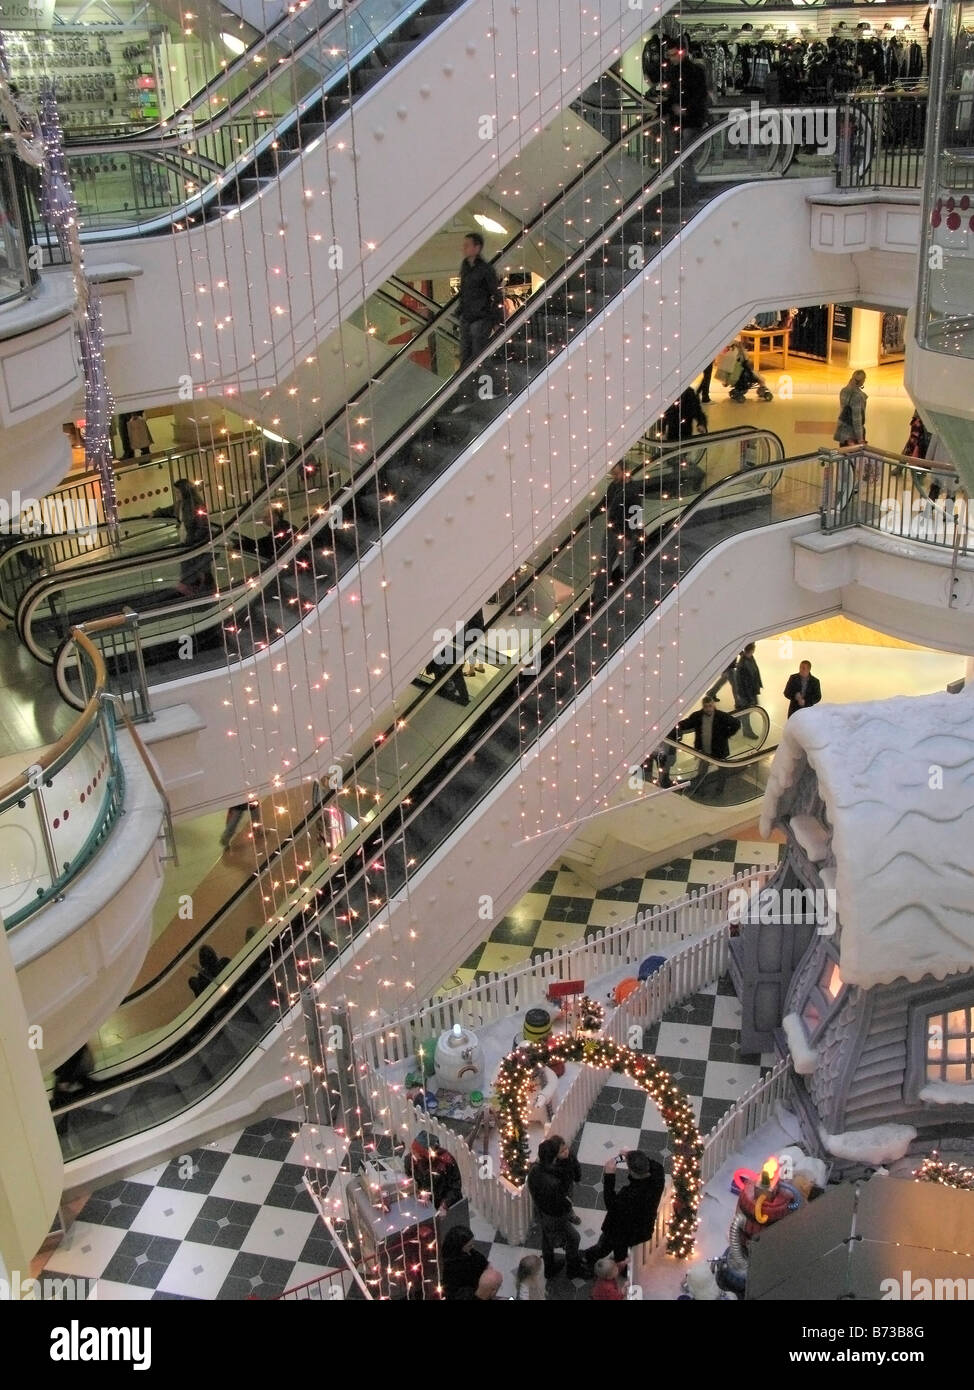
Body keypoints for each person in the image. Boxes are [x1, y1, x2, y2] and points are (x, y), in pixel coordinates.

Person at [583, 1152, 666, 1266]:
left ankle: (588, 1259)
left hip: (619, 1230)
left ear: (631, 1171)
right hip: (642, 1228)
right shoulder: (658, 1175)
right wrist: (632, 1155)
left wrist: (609, 1175)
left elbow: (611, 1205)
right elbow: (652, 1163)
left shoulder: (629, 1195)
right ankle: (621, 1264)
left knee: (605, 1246)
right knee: (622, 1248)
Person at [659, 37, 710, 204]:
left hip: (688, 120)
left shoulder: (688, 72)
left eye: (673, 55)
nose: (672, 58)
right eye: (670, 55)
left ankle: (686, 192)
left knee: (681, 157)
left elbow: (698, 96)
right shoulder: (687, 71)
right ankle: (686, 191)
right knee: (681, 157)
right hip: (686, 119)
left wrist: (681, 109)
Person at [527, 1136, 586, 1279]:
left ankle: (549, 1268)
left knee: (546, 1240)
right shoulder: (555, 1180)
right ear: (554, 1158)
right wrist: (567, 1207)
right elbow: (561, 1200)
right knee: (574, 1238)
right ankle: (573, 1269)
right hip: (554, 1215)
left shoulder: (535, 1170)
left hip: (542, 1211)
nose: (566, 1153)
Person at [154, 478, 213, 596]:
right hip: (187, 545)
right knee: (195, 574)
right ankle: (199, 594)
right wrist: (155, 513)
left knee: (198, 573)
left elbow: (202, 527)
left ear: (184, 491)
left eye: (178, 492)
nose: (176, 495)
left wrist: (192, 543)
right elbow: (170, 510)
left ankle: (202, 595)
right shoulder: (181, 504)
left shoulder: (195, 505)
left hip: (195, 546)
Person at [456, 231, 503, 369]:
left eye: (467, 245)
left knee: (478, 353)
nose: (464, 248)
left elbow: (496, 293)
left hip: (481, 317)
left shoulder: (485, 269)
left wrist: (496, 320)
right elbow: (464, 292)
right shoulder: (465, 267)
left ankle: (484, 383)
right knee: (466, 354)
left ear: (477, 248)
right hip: (467, 317)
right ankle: (469, 385)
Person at [678, 695, 741, 794]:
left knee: (722, 770)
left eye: (710, 706)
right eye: (706, 706)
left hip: (719, 749)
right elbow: (687, 723)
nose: (708, 709)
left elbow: (736, 723)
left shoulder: (721, 716)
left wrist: (727, 734)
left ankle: (720, 789)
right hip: (704, 751)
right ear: (703, 707)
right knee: (702, 770)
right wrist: (675, 726)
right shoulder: (698, 716)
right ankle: (700, 789)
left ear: (714, 705)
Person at [404, 1133, 463, 1212]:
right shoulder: (410, 1160)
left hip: (445, 1204)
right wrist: (420, 1192)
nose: (413, 1155)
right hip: (424, 1204)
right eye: (413, 1151)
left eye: (417, 1153)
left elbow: (455, 1188)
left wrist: (445, 1204)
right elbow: (410, 1179)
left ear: (425, 1155)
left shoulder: (446, 1162)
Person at [440, 1225, 489, 1300]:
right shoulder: (453, 1266)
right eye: (469, 1245)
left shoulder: (467, 1252)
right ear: (459, 1246)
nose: (472, 1247)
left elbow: (479, 1259)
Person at [733, 641, 763, 739]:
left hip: (750, 692)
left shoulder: (750, 658)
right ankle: (747, 732)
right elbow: (743, 684)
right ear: (752, 650)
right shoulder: (743, 664)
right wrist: (749, 697)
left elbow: (755, 672)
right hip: (746, 694)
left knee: (743, 712)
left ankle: (731, 725)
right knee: (745, 712)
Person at [833, 370, 868, 448]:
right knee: (854, 458)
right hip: (852, 436)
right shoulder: (858, 396)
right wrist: (860, 439)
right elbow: (857, 419)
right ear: (862, 381)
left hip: (843, 432)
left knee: (843, 457)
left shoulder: (844, 391)